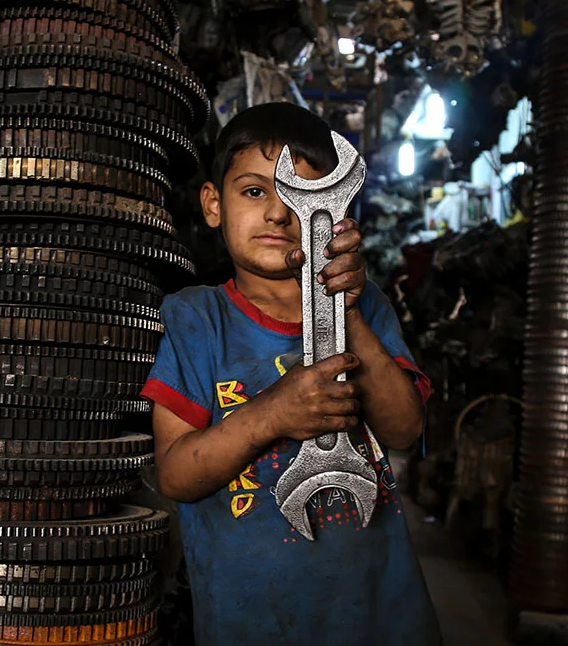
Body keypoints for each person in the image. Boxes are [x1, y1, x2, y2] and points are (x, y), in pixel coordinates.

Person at [141, 103, 442, 645]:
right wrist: (272, 414)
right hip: (249, 621)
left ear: (333, 211)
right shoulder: (196, 319)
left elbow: (404, 430)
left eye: (297, 197)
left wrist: (345, 310)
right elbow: (176, 475)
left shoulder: (365, 305)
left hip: (379, 615)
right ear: (213, 204)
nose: (279, 215)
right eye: (255, 191)